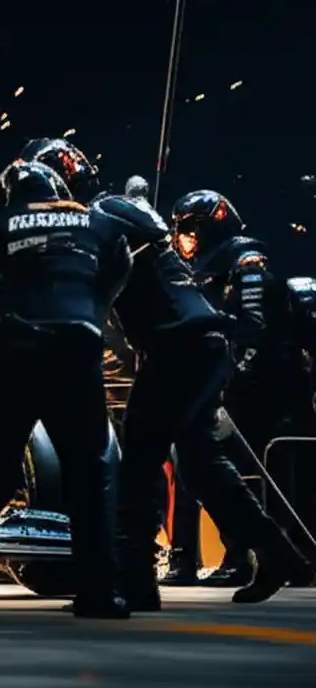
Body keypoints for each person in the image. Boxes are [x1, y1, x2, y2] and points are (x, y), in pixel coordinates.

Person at [0, 160, 132, 621]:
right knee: (89, 473)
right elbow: (122, 263)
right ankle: (99, 593)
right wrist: (91, 315)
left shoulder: (3, 221)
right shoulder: (98, 220)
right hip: (76, 353)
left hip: (12, 353)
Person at [85, 191, 313, 609]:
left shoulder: (100, 223)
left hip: (182, 348)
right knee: (185, 463)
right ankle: (273, 552)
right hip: (188, 346)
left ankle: (134, 580)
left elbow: (98, 297)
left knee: (155, 462)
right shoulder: (130, 222)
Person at [171, 190, 312, 583]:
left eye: (191, 229)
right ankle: (190, 559)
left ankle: (242, 557)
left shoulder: (247, 264)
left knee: (223, 469)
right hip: (227, 385)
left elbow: (255, 328)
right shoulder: (205, 269)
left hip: (260, 390)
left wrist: (235, 378)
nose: (186, 239)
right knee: (194, 463)